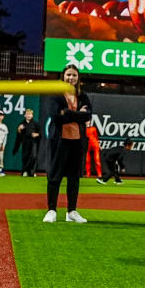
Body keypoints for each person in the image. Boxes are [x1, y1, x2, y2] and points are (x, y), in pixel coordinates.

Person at [42, 64, 91, 223]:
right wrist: (77, 114)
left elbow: (88, 116)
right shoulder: (56, 95)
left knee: (74, 177)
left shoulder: (83, 96)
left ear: (78, 78)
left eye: (74, 75)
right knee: (54, 176)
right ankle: (51, 210)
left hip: (77, 142)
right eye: (69, 75)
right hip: (59, 141)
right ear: (63, 76)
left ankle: (72, 211)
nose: (71, 78)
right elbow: (55, 116)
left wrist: (68, 114)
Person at [13, 107, 41, 177]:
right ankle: (25, 171)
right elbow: (19, 136)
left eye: (30, 114)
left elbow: (40, 133)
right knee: (25, 157)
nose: (28, 115)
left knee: (34, 157)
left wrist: (36, 134)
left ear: (32, 115)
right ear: (24, 115)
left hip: (33, 143)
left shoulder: (36, 123)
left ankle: (32, 172)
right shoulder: (22, 124)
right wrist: (19, 130)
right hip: (25, 143)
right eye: (27, 114)